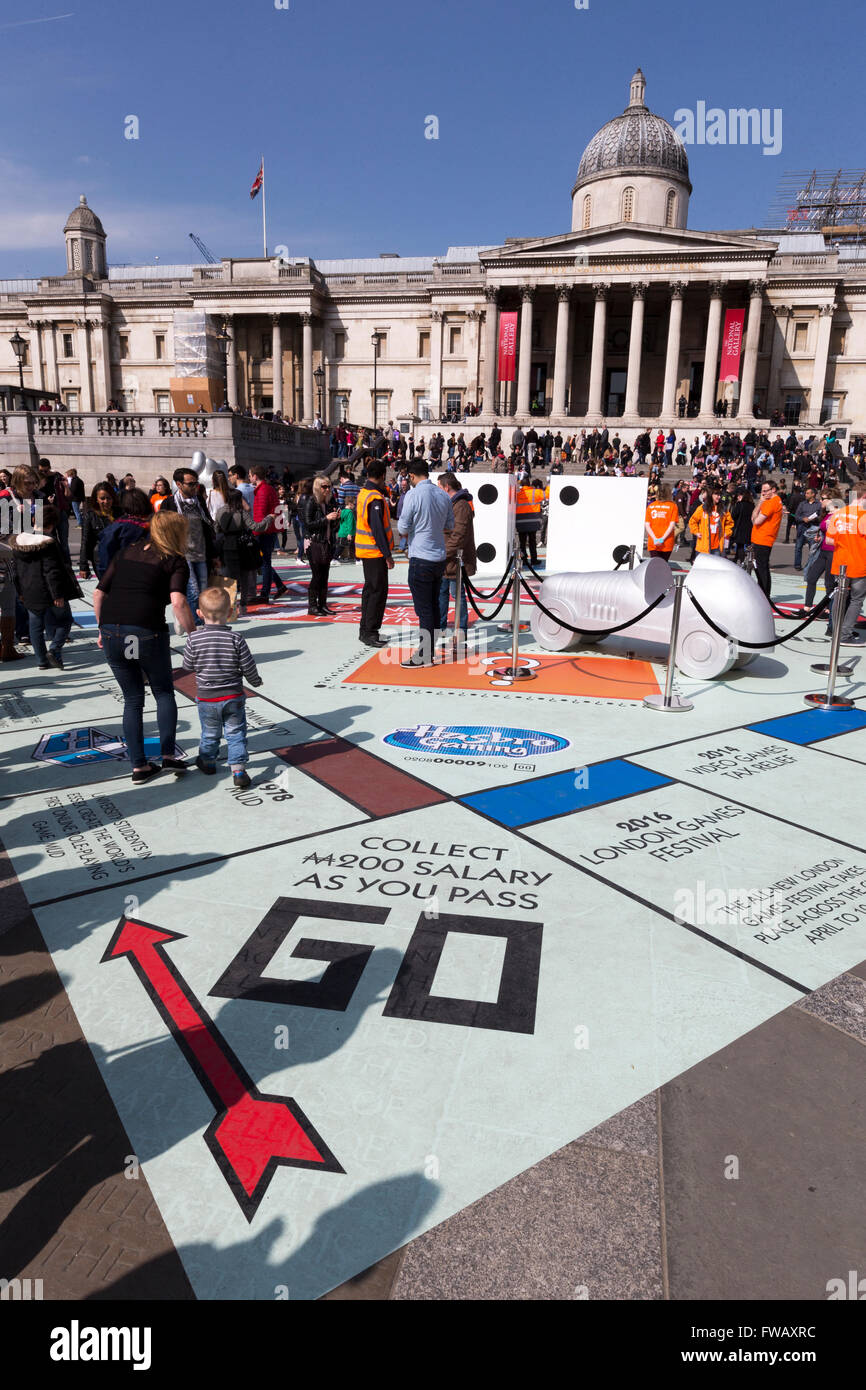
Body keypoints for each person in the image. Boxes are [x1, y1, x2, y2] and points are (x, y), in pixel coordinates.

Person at [94, 509, 195, 783]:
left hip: (114, 630)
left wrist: (101, 627)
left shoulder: (127, 551)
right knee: (163, 692)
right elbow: (178, 602)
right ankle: (168, 756)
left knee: (133, 699)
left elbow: (99, 592)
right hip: (145, 630)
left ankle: (138, 766)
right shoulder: (174, 560)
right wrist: (194, 633)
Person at [181, 585, 262, 788]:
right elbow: (248, 665)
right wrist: (255, 681)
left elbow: (187, 665)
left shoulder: (194, 638)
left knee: (209, 732)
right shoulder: (236, 639)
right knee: (235, 733)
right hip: (233, 695)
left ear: (199, 613)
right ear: (230, 612)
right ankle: (239, 770)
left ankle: (207, 761)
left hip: (207, 697)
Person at [397, 461, 455, 668]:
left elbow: (403, 527)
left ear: (412, 476)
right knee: (433, 605)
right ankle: (428, 651)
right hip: (438, 556)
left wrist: (418, 527)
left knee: (424, 609)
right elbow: (450, 525)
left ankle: (425, 654)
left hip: (420, 557)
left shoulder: (413, 495)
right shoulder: (442, 495)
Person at [10, 504, 81, 670]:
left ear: (34, 519)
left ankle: (41, 661)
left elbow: (15, 570)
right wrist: (57, 594)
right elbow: (51, 571)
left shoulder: (20, 540)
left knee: (35, 626)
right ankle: (55, 649)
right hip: (48, 590)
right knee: (65, 620)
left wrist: (19, 591)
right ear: (52, 525)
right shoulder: (48, 542)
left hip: (28, 590)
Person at [160, 467, 219, 623]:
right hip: (181, 554)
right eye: (191, 484)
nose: (195, 487)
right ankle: (196, 624)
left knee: (204, 589)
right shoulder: (170, 503)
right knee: (192, 590)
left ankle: (193, 618)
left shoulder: (199, 501)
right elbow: (161, 529)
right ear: (179, 484)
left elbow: (208, 528)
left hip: (201, 552)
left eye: (196, 483)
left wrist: (214, 555)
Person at [437, 469, 476, 645]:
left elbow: (459, 536)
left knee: (457, 594)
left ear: (446, 487)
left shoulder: (461, 506)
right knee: (442, 593)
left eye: (439, 487)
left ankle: (460, 631)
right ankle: (440, 627)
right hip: (446, 559)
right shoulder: (451, 504)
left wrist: (443, 553)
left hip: (455, 559)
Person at [825, 481, 866, 646]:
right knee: (856, 600)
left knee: (840, 598)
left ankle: (836, 631)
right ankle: (845, 634)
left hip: (840, 562)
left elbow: (829, 540)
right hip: (858, 563)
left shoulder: (839, 513)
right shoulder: (863, 515)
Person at [218, 491, 267, 616]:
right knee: (244, 577)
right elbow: (255, 527)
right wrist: (269, 518)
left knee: (229, 580)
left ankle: (231, 607)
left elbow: (215, 528)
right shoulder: (241, 512)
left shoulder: (220, 511)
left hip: (226, 546)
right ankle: (243, 605)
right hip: (242, 546)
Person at [248, 464, 286, 603]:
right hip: (268, 530)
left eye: (250, 475)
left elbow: (261, 514)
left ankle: (265, 593)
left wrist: (255, 531)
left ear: (255, 476)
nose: (249, 477)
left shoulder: (262, 490)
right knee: (265, 562)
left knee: (263, 562)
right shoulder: (267, 489)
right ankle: (278, 586)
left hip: (263, 531)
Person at [303, 476, 339, 617]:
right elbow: (308, 524)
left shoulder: (329, 502)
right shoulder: (311, 501)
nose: (327, 489)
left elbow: (333, 526)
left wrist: (336, 519)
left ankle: (323, 605)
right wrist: (326, 519)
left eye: (329, 486)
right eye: (324, 487)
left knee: (325, 576)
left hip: (327, 542)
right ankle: (312, 606)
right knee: (317, 575)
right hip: (314, 543)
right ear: (317, 487)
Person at [79, 482, 119, 579]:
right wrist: (83, 565)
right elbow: (85, 540)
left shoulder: (120, 512)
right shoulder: (90, 515)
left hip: (118, 556)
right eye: (102, 498)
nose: (106, 501)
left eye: (109, 498)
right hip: (100, 557)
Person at [750, 480, 783, 597]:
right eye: (762, 491)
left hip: (762, 538)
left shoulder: (771, 502)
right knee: (762, 568)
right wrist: (760, 502)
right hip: (764, 538)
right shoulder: (775, 501)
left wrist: (759, 506)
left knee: (761, 568)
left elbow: (756, 520)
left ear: (773, 489)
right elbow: (753, 517)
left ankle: (764, 595)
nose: (763, 494)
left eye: (765, 491)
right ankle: (764, 594)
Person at [688, 487, 733, 554]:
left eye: (719, 495)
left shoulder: (723, 509)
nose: (719, 496)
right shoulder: (702, 508)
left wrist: (726, 532)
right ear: (711, 495)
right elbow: (693, 521)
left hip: (717, 546)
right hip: (703, 546)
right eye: (717, 494)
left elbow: (729, 523)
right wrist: (696, 532)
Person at [644, 484, 679, 562]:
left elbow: (647, 525)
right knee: (663, 564)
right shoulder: (673, 506)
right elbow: (672, 525)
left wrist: (655, 539)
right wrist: (662, 539)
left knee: (654, 564)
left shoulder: (651, 506)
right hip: (667, 541)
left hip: (653, 541)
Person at [515, 477, 544, 569]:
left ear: (521, 485)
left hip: (521, 522)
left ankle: (523, 561)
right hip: (533, 521)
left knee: (522, 543)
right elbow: (546, 494)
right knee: (532, 541)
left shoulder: (517, 494)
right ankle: (534, 560)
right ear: (529, 484)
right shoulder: (535, 492)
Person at [336, 496, 356, 563]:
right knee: (341, 547)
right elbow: (350, 524)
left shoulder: (343, 511)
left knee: (342, 546)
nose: (354, 506)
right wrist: (349, 533)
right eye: (354, 504)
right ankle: (334, 558)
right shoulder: (350, 512)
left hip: (342, 532)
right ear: (350, 504)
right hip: (347, 533)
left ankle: (356, 558)